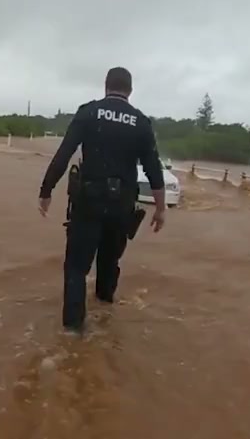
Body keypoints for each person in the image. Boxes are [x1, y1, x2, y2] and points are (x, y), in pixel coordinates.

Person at [37, 67, 166, 333]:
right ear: (130, 90)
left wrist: (46, 190)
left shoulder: (89, 112)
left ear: (106, 86)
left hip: (88, 202)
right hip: (122, 206)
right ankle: (106, 315)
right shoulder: (141, 122)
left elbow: (64, 154)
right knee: (110, 262)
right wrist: (161, 208)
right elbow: (154, 168)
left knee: (76, 268)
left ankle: (73, 333)